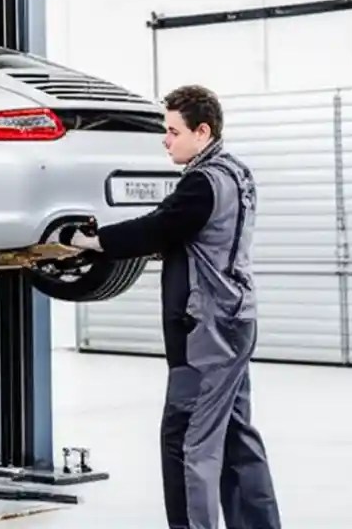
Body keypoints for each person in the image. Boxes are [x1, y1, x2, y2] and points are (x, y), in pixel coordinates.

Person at [62, 84, 281, 529]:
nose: (165, 140)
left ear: (203, 132)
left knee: (185, 440)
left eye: (173, 131)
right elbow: (194, 235)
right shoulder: (236, 172)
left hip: (205, 330)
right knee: (235, 437)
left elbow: (158, 226)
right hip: (237, 320)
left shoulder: (201, 183)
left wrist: (92, 241)